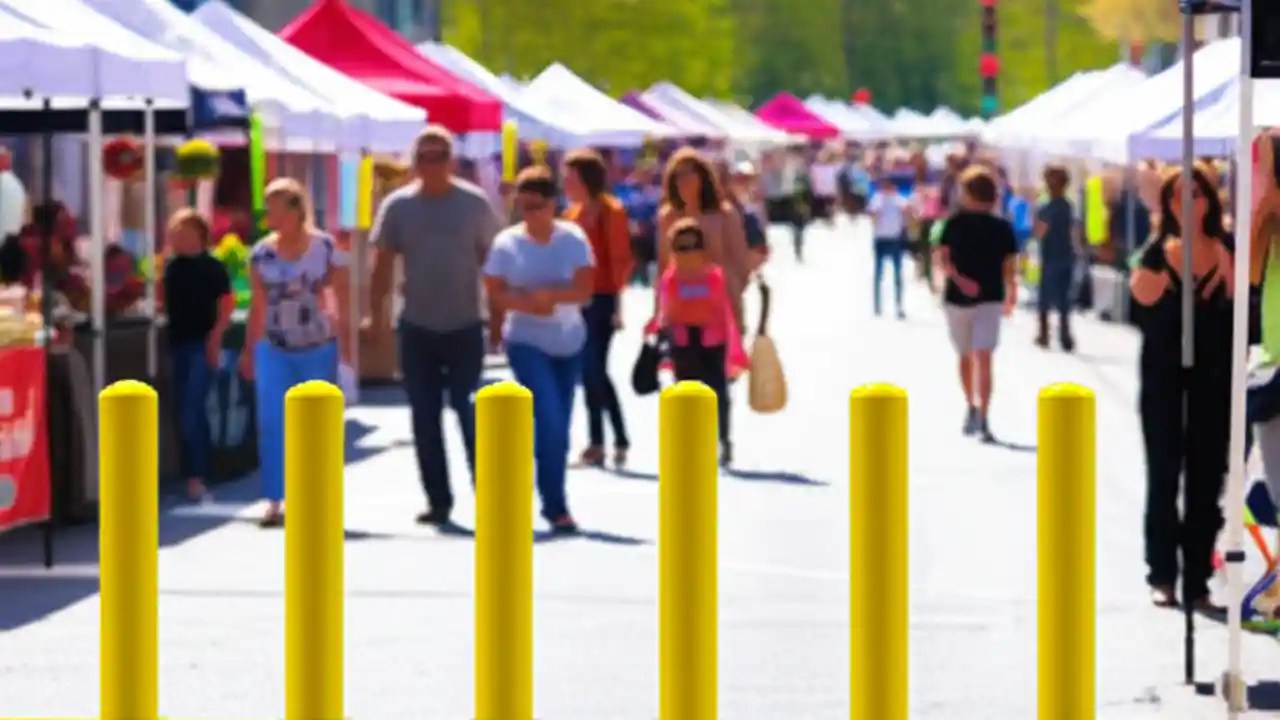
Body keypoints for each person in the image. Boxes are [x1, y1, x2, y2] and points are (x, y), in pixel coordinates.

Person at [369, 125, 502, 526]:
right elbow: (383, 266)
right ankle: (438, 499)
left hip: (464, 323)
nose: (430, 165)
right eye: (423, 158)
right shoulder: (398, 207)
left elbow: (491, 263)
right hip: (416, 325)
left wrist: (497, 318)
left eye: (438, 157)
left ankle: (489, 494)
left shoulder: (474, 205)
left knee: (469, 409)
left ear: (451, 161)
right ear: (414, 162)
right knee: (424, 416)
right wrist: (375, 316)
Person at [1129, 165, 1233, 611]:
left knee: (1207, 481)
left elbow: (1240, 306)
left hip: (1214, 378)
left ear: (1211, 198)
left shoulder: (1228, 250)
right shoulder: (1153, 253)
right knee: (1164, 475)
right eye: (1177, 195)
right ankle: (1162, 574)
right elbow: (1141, 309)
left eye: (1196, 192)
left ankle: (1198, 579)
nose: (1187, 201)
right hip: (1163, 379)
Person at [483, 166, 594, 534]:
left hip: (568, 340)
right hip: (526, 341)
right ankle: (556, 505)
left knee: (558, 428)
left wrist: (551, 296)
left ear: (553, 205)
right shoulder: (507, 244)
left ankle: (546, 489)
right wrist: (526, 305)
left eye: (537, 206)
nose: (531, 215)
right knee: (548, 416)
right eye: (524, 207)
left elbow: (584, 291)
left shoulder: (573, 239)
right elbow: (494, 290)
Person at [240, 178, 350, 527]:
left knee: (318, 425)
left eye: (275, 207)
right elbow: (257, 304)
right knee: (272, 423)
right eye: (267, 207)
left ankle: (317, 498)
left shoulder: (325, 248)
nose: (269, 215)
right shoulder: (261, 253)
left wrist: (340, 335)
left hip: (318, 345)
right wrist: (248, 350)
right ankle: (275, 499)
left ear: (296, 209)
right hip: (274, 346)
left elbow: (336, 293)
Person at [563, 149, 633, 468]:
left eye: (571, 177)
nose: (566, 183)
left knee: (593, 369)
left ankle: (603, 440)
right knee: (589, 371)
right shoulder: (571, 215)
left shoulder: (610, 211)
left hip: (602, 298)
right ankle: (610, 438)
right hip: (578, 300)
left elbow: (620, 260)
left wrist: (619, 304)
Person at [937, 167, 1018, 442]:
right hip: (981, 297)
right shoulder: (991, 226)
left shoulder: (961, 224)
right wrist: (1011, 293)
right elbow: (1010, 266)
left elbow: (943, 261)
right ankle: (977, 409)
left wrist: (960, 282)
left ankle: (977, 410)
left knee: (973, 355)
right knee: (976, 356)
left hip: (971, 299)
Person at [651, 218, 739, 465]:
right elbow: (667, 312)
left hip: (713, 341)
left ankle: (722, 439)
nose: (688, 253)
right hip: (683, 341)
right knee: (687, 392)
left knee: (717, 393)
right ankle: (690, 442)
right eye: (681, 247)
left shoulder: (714, 276)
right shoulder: (670, 279)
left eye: (692, 246)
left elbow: (724, 309)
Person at [160, 209, 233, 500]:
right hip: (177, 344)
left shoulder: (212, 267)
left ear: (200, 237)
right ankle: (194, 471)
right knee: (185, 410)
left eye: (185, 233)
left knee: (192, 410)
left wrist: (214, 340)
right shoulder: (171, 267)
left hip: (200, 345)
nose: (179, 239)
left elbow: (226, 305)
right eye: (175, 233)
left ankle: (197, 476)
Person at [657, 148, 751, 339]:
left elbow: (740, 263)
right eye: (677, 175)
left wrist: (732, 300)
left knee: (717, 368)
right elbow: (663, 267)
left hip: (720, 310)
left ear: (702, 177)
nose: (683, 181)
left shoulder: (724, 215)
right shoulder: (667, 217)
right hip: (680, 311)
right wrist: (658, 313)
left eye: (688, 173)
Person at [1034, 164, 1081, 351]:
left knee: (1045, 296)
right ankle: (1065, 336)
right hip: (1066, 254)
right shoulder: (1068, 206)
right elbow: (1073, 230)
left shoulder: (1045, 207)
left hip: (1049, 255)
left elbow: (1040, 232)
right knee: (1064, 297)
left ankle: (1044, 334)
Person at [869, 176, 911, 319]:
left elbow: (907, 214)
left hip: (895, 239)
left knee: (898, 274)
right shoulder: (877, 198)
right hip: (881, 239)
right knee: (878, 273)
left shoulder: (899, 199)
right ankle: (877, 305)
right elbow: (873, 216)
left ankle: (899, 305)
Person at [809, 146, 841, 227]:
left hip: (830, 192)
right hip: (818, 192)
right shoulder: (814, 167)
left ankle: (830, 219)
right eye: (822, 155)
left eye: (826, 155)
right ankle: (815, 219)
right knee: (817, 208)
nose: (823, 157)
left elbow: (836, 180)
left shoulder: (834, 167)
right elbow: (813, 180)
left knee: (830, 206)